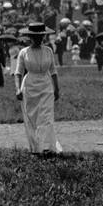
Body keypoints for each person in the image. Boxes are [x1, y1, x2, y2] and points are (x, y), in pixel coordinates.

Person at [14, 22, 61, 157]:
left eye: (41, 36)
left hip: (46, 86)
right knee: (32, 118)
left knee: (46, 117)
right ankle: (36, 148)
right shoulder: (24, 52)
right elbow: (18, 72)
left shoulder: (48, 51)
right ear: (30, 37)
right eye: (35, 36)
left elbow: (53, 71)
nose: (38, 39)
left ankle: (47, 146)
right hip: (29, 87)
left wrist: (57, 89)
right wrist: (18, 89)